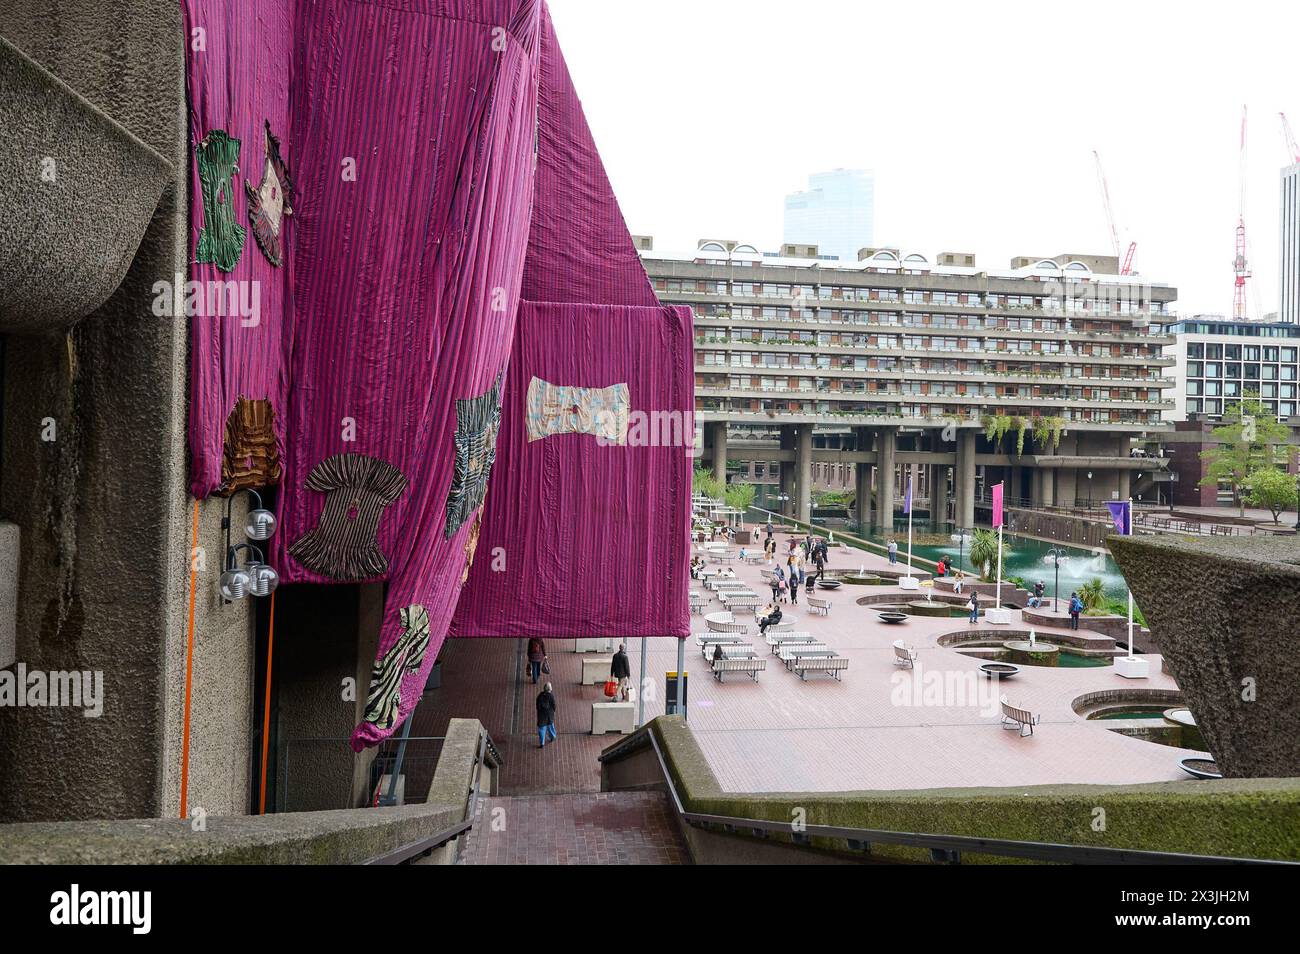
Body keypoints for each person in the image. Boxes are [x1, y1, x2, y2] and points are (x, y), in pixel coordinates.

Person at [536, 682, 557, 748]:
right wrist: (553, 711)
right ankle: (552, 736)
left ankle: (542, 743)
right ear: (550, 689)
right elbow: (554, 705)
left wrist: (539, 711)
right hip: (549, 715)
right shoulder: (551, 696)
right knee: (551, 726)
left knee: (541, 729)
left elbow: (537, 705)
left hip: (541, 715)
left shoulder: (540, 695)